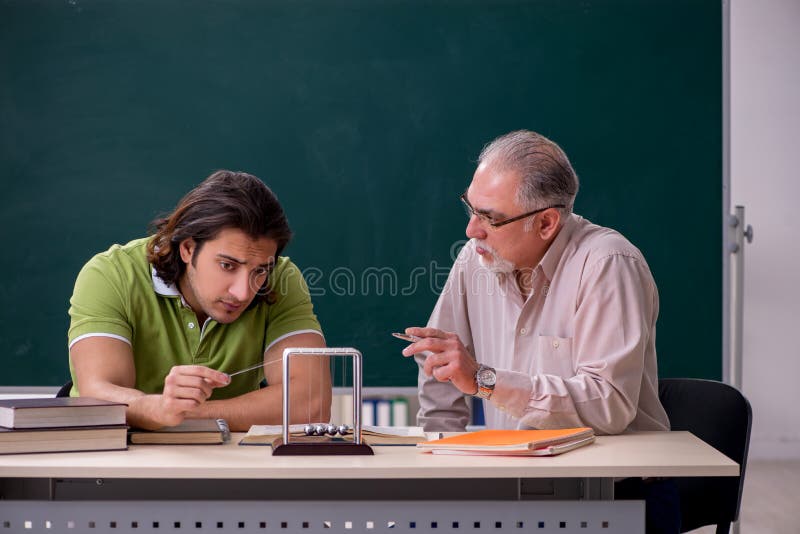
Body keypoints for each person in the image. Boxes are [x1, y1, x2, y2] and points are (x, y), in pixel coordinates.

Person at [402, 130, 678, 533]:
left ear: (546, 222)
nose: (471, 230)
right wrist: (446, 468)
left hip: (617, 499)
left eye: (490, 218)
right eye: (470, 209)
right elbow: (441, 367)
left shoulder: (608, 264)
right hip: (514, 493)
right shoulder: (474, 260)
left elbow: (609, 405)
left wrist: (483, 380)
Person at [68, 170, 330, 432]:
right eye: (228, 265)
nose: (242, 292)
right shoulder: (110, 275)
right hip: (119, 462)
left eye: (260, 270)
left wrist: (183, 413)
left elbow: (311, 402)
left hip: (229, 462)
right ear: (188, 248)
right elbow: (100, 397)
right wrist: (158, 408)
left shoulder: (281, 278)